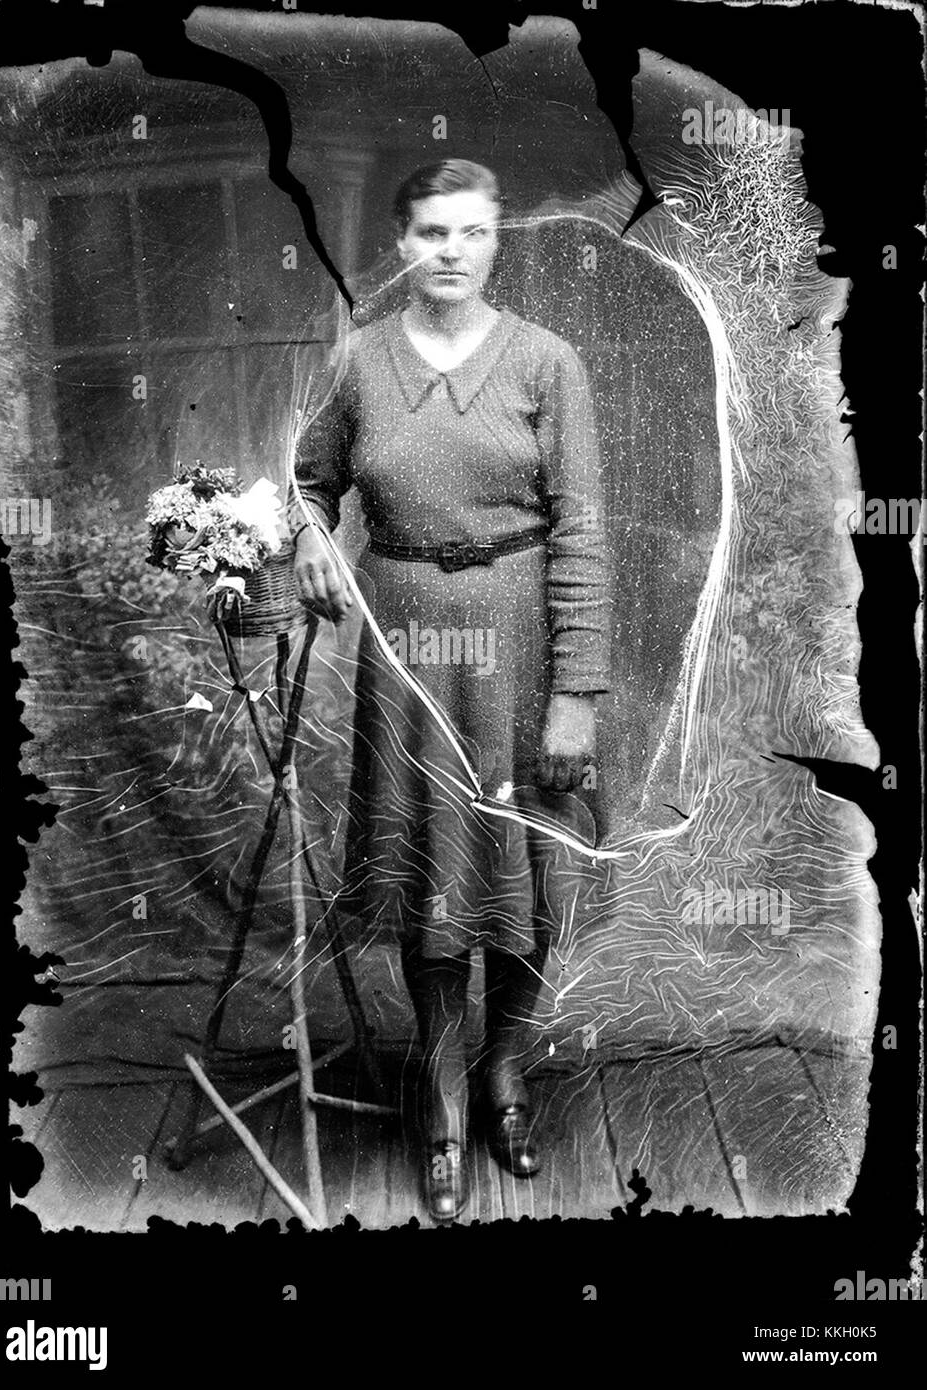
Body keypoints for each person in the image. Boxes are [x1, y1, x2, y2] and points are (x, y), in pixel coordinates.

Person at [290, 159, 609, 1222]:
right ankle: (439, 1098)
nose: (450, 251)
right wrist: (307, 538)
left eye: (471, 231)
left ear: (496, 239)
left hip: (521, 644)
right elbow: (306, 477)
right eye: (431, 231)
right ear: (399, 243)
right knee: (432, 874)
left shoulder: (546, 363)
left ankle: (504, 1071)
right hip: (408, 654)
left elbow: (583, 535)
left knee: (530, 878)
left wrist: (576, 693)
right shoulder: (357, 363)